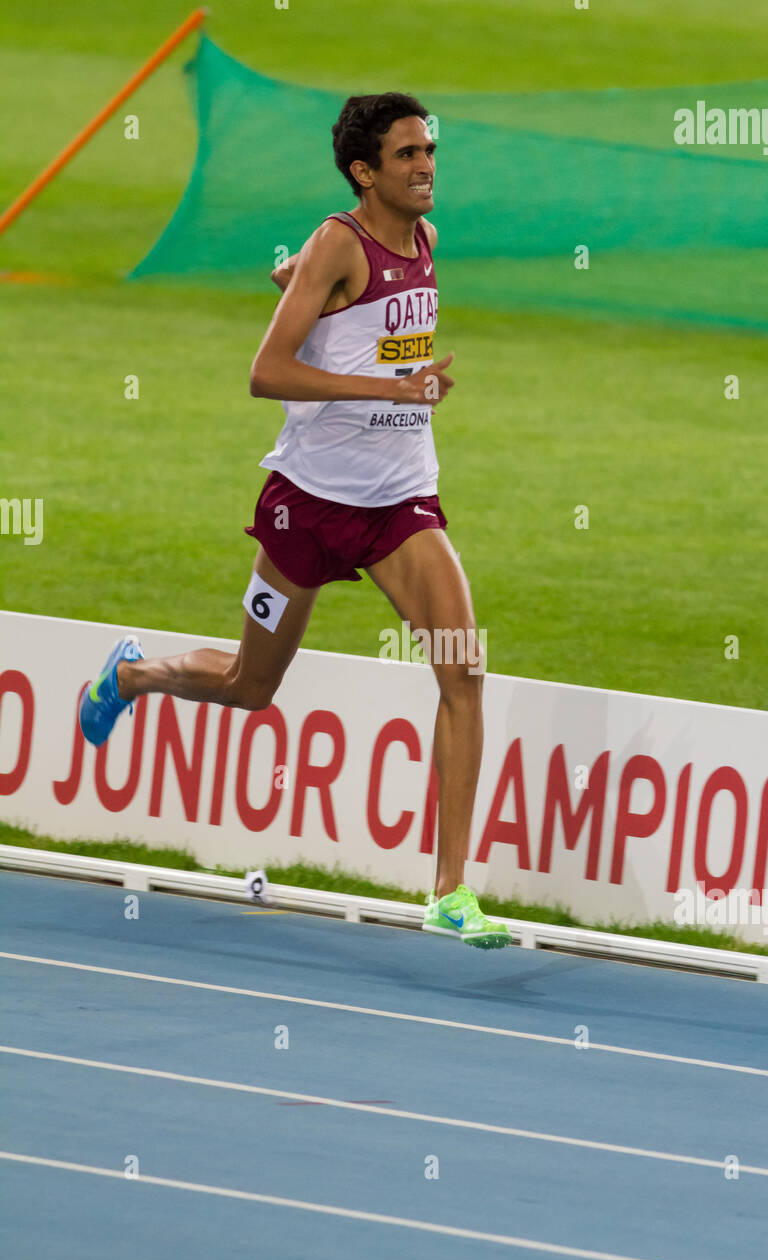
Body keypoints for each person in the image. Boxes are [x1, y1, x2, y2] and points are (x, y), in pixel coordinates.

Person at [79, 92, 510, 950]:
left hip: (400, 504)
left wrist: (404, 375)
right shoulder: (334, 243)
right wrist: (376, 373)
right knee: (251, 686)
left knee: (463, 671)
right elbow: (267, 372)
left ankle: (451, 891)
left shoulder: (425, 239)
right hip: (307, 504)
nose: (427, 166)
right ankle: (129, 677)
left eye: (430, 150)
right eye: (407, 155)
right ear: (365, 172)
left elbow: (376, 342)